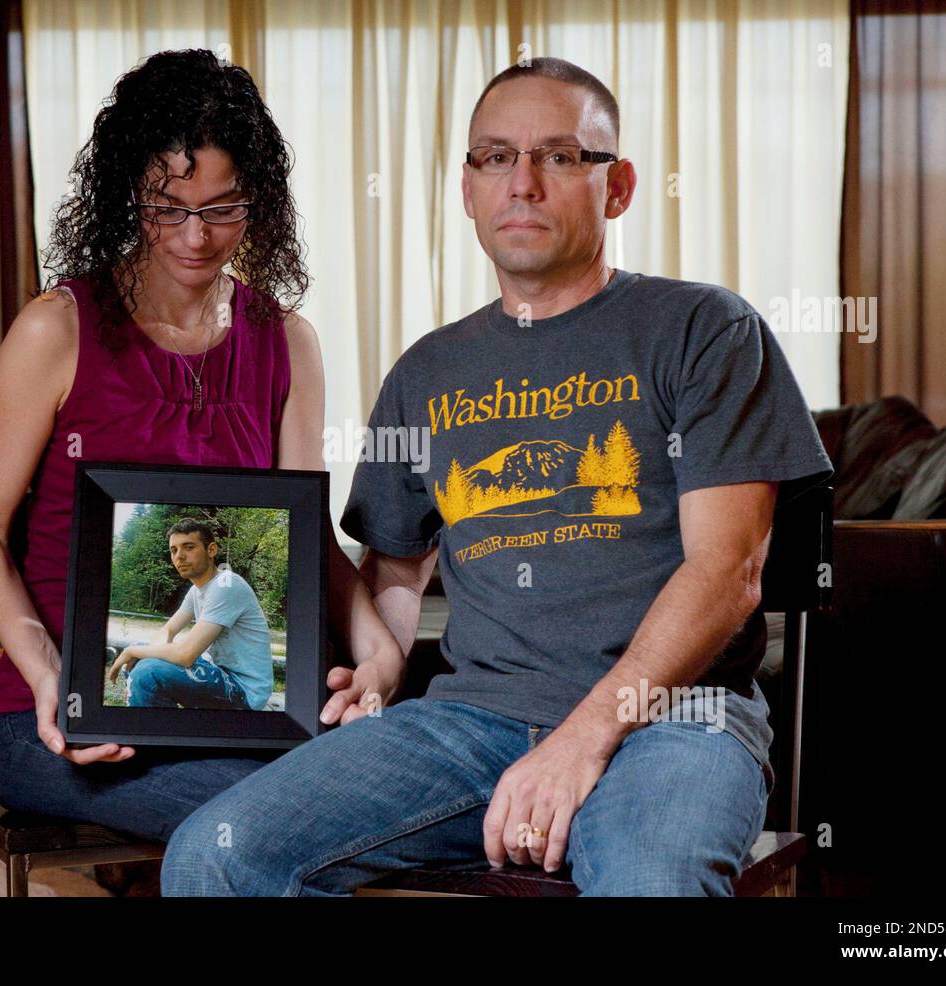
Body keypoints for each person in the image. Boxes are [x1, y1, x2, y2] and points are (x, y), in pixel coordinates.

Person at [158, 57, 835, 896]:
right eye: (494, 158)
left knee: (649, 883)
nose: (522, 184)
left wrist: (582, 739)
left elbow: (726, 573)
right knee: (214, 853)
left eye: (558, 156)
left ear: (616, 187)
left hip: (675, 720)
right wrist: (381, 665)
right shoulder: (427, 372)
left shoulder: (704, 329)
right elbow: (399, 570)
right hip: (466, 722)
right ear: (468, 190)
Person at [0, 49, 403, 846]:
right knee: (292, 821)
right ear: (131, 192)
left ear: (257, 200)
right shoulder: (56, 330)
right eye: (169, 207)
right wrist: (51, 676)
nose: (195, 236)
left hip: (237, 728)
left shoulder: (289, 342)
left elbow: (310, 542)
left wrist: (378, 652)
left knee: (370, 797)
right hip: (54, 721)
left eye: (223, 208)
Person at [110, 519, 274, 712]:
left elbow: (186, 655)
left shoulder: (227, 585)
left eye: (188, 547)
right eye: (174, 550)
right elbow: (169, 629)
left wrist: (131, 652)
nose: (179, 556)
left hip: (244, 690)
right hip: (218, 671)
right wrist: (142, 652)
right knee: (141, 655)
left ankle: (152, 735)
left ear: (211, 550)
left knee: (146, 672)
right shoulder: (197, 590)